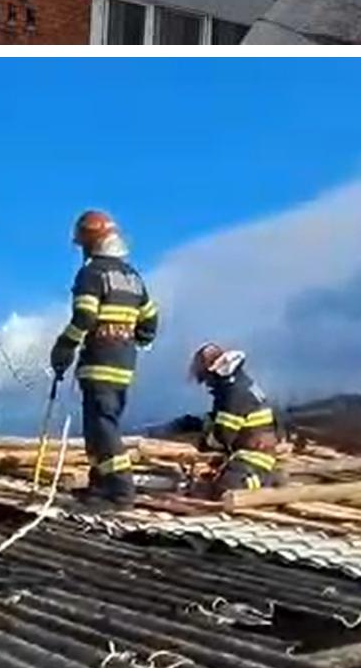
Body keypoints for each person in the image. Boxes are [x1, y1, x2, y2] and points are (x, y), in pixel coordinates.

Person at [50, 209, 159, 506]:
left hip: (100, 359)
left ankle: (121, 491)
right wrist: (136, 340)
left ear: (90, 241)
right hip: (124, 361)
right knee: (101, 424)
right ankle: (100, 485)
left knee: (102, 426)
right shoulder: (133, 277)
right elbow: (150, 318)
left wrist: (64, 346)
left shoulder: (92, 273)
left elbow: (85, 315)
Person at [185, 343, 282, 493]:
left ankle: (265, 481)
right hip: (258, 455)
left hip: (252, 459)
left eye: (207, 379)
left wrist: (202, 440)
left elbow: (222, 438)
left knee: (222, 488)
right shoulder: (242, 382)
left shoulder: (233, 394)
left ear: (214, 372)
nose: (208, 385)